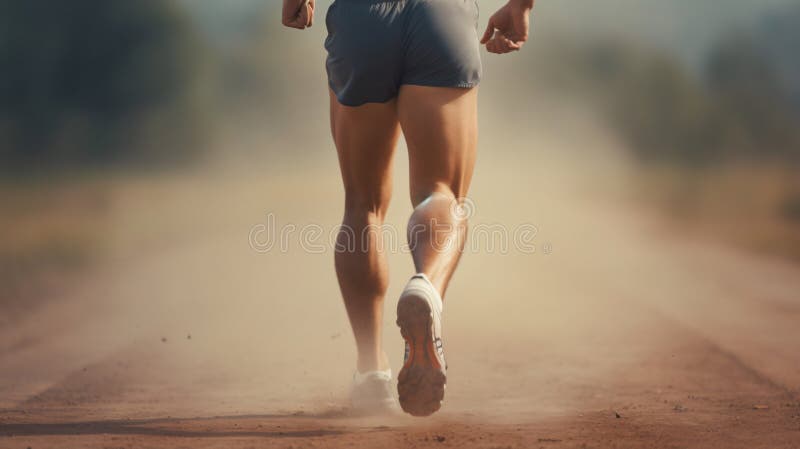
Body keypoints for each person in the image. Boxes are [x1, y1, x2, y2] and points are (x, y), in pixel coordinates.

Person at [282, 0, 535, 416]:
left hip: (363, 18)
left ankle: (371, 373)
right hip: (441, 15)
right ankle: (426, 288)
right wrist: (522, 5)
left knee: (362, 204)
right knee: (442, 193)